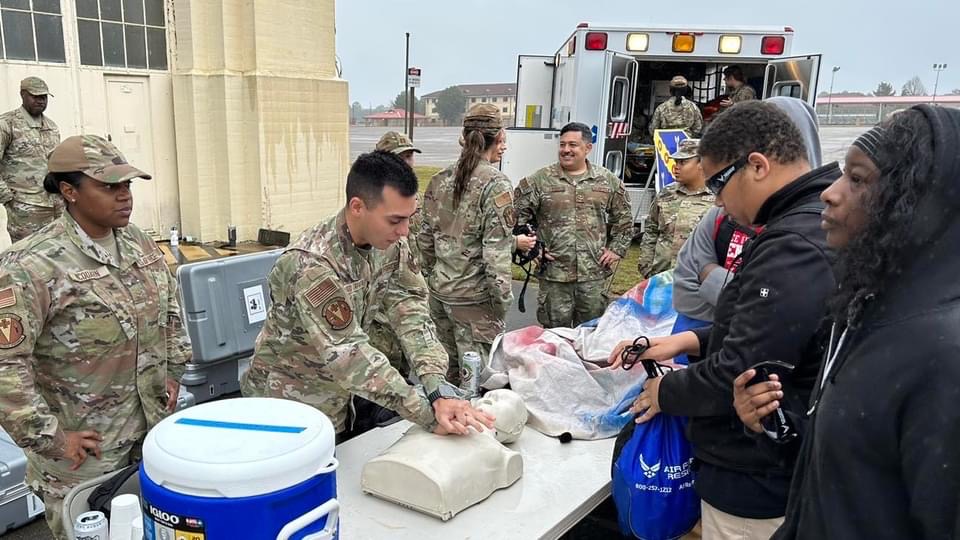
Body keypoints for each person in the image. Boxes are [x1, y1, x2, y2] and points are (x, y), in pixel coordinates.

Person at [609, 101, 841, 538]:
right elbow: (773, 329)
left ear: (756, 166)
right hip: (773, 468)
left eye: (718, 182)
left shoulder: (792, 246)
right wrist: (689, 342)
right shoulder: (806, 225)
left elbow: (744, 370)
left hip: (757, 481)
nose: (716, 200)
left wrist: (666, 390)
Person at [734, 106, 960, 539]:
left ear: (919, 203)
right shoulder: (867, 309)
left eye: (857, 180)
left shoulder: (943, 354)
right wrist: (774, 425)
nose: (830, 193)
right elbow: (846, 477)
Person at [0, 135, 190, 539]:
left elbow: (171, 305)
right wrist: (51, 438)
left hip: (151, 431)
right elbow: (5, 367)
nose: (124, 197)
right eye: (108, 187)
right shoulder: (31, 264)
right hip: (86, 454)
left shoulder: (137, 241)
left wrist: (174, 369)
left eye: (127, 186)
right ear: (69, 191)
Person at [241, 150, 494, 439]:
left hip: (338, 400)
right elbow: (349, 354)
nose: (404, 231)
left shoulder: (390, 245)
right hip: (286, 410)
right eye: (395, 220)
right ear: (358, 207)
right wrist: (426, 412)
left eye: (409, 219)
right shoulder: (311, 264)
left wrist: (436, 384)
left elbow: (412, 313)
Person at [672, 96, 823, 322]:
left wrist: (712, 277)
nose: (718, 201)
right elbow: (685, 294)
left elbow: (779, 315)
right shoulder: (721, 216)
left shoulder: (821, 226)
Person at [417, 104, 515, 378]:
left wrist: (432, 284)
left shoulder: (439, 179)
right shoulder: (496, 185)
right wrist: (501, 305)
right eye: (503, 140)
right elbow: (496, 255)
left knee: (444, 378)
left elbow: (424, 242)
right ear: (496, 139)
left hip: (440, 296)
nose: (504, 147)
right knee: (480, 383)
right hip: (474, 304)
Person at [514, 122, 633, 328]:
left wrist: (616, 249)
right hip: (554, 276)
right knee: (553, 336)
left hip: (593, 275)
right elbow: (517, 219)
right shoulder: (539, 181)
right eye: (562, 145)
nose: (566, 150)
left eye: (573, 145)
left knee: (590, 334)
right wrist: (533, 249)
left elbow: (623, 219)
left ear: (588, 148)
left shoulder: (607, 181)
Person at [635, 138, 714, 280]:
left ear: (702, 164)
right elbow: (651, 229)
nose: (676, 167)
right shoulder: (667, 193)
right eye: (676, 162)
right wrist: (646, 265)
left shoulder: (718, 199)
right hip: (660, 276)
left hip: (695, 281)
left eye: (683, 162)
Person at [0, 77, 62, 243]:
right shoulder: (7, 124)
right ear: (23, 95)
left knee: (58, 253)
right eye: (35, 96)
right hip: (25, 207)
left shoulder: (51, 126)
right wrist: (7, 198)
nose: (40, 101)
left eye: (44, 97)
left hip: (56, 204)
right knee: (27, 255)